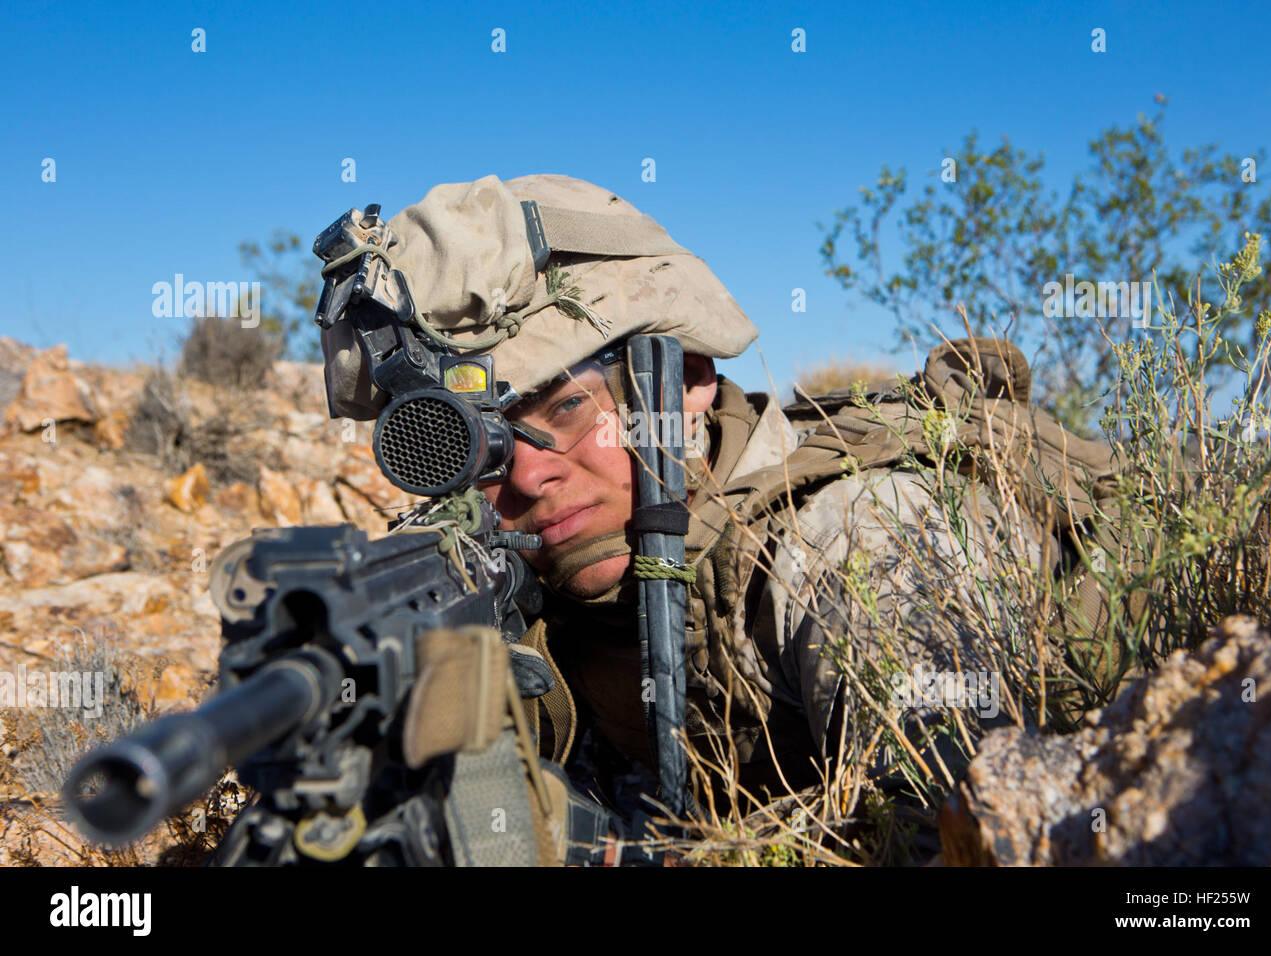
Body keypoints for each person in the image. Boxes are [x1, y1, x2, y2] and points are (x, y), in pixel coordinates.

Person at [320, 173, 1121, 854]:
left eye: (564, 409)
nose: (525, 475)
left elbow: (960, 835)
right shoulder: (503, 578)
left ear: (690, 381)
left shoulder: (860, 537)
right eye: (475, 446)